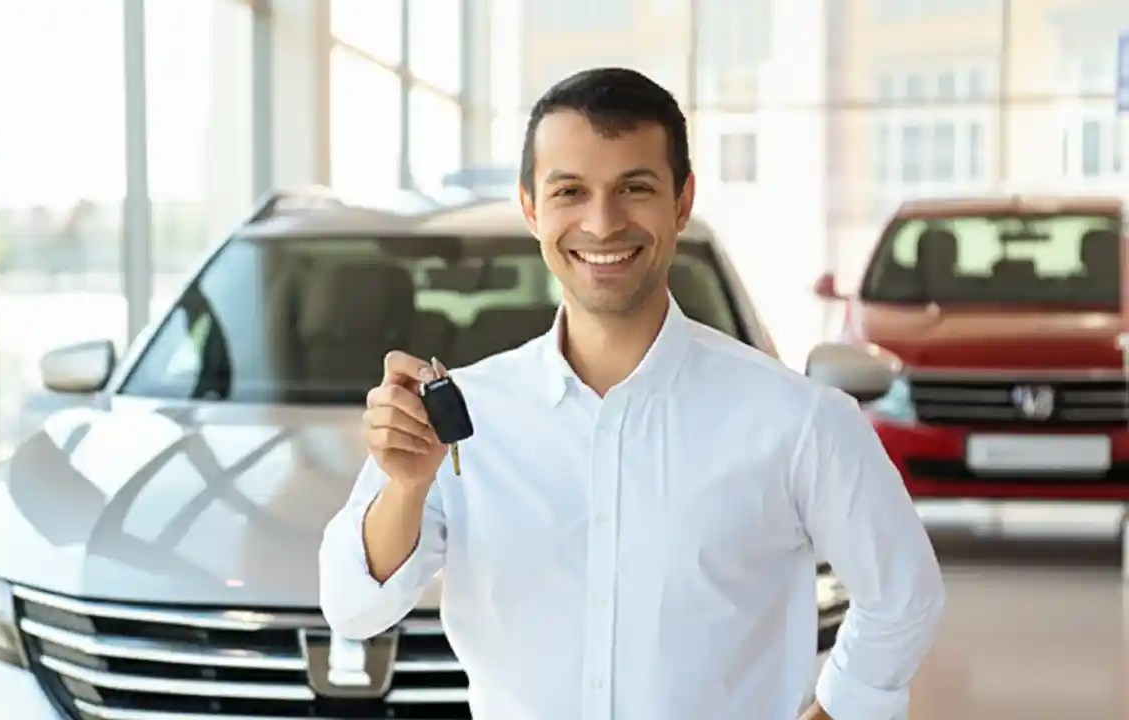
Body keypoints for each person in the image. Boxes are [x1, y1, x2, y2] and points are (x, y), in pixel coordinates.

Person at [319, 67, 945, 720]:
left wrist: (838, 710)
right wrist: (407, 488)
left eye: (634, 188)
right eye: (570, 191)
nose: (602, 222)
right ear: (532, 208)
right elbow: (355, 607)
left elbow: (904, 596)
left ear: (682, 201)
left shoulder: (798, 420)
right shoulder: (461, 419)